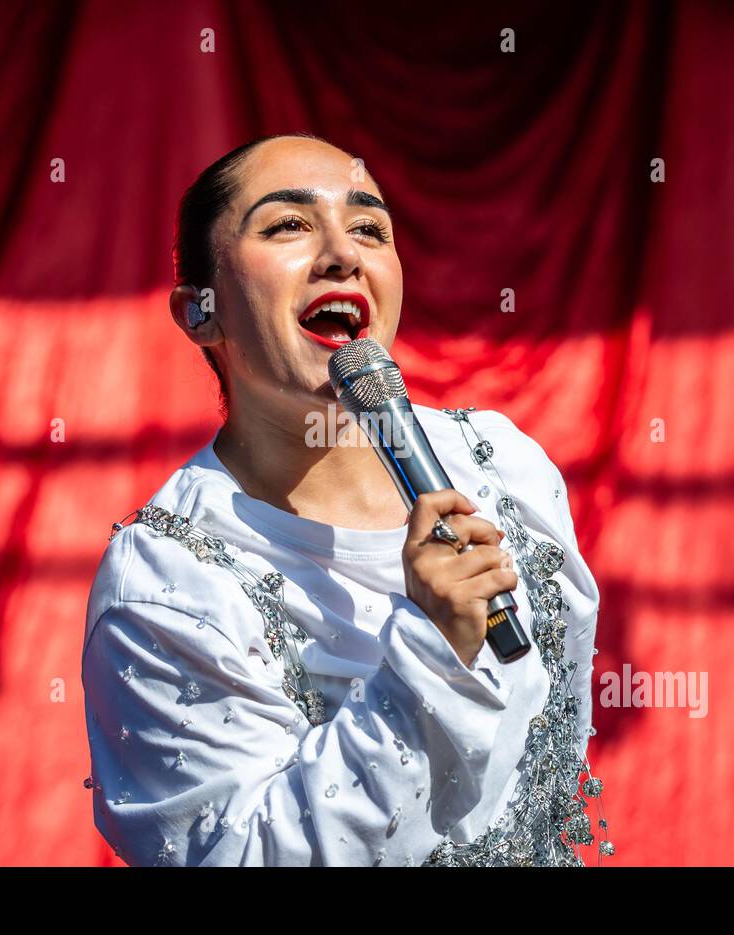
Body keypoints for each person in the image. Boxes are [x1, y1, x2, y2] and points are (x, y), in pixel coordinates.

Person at [81, 133, 608, 866]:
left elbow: (556, 763)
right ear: (201, 312)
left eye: (369, 228)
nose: (341, 253)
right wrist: (429, 649)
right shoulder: (169, 585)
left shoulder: (505, 469)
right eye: (287, 225)